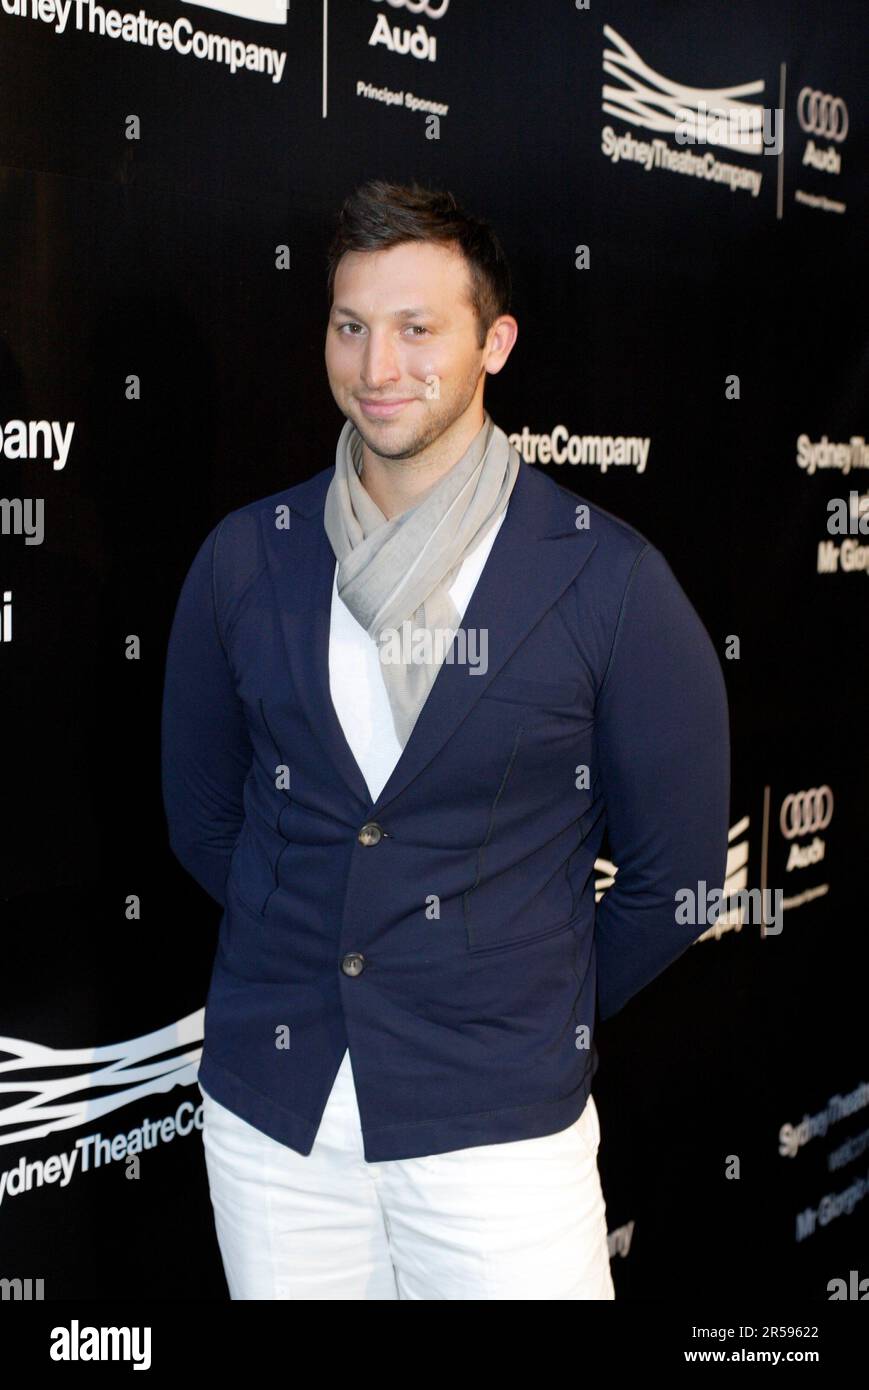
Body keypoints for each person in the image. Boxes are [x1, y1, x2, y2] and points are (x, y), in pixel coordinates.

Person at [161, 179, 730, 1300]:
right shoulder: (247, 557)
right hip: (277, 1128)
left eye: (419, 329)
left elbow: (675, 883)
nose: (378, 368)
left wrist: (516, 997)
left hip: (498, 1143)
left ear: (495, 344)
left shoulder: (605, 578)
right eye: (351, 324)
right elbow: (204, 818)